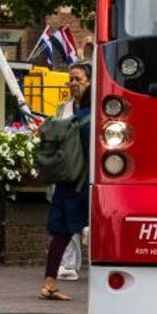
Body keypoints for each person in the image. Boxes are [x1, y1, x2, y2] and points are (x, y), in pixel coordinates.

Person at [40, 60, 91, 301]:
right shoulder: (82, 115)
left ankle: (50, 282)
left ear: (90, 83)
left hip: (72, 182)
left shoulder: (87, 114)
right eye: (70, 80)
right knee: (62, 232)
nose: (72, 84)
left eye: (77, 80)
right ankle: (50, 283)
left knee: (63, 232)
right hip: (77, 183)